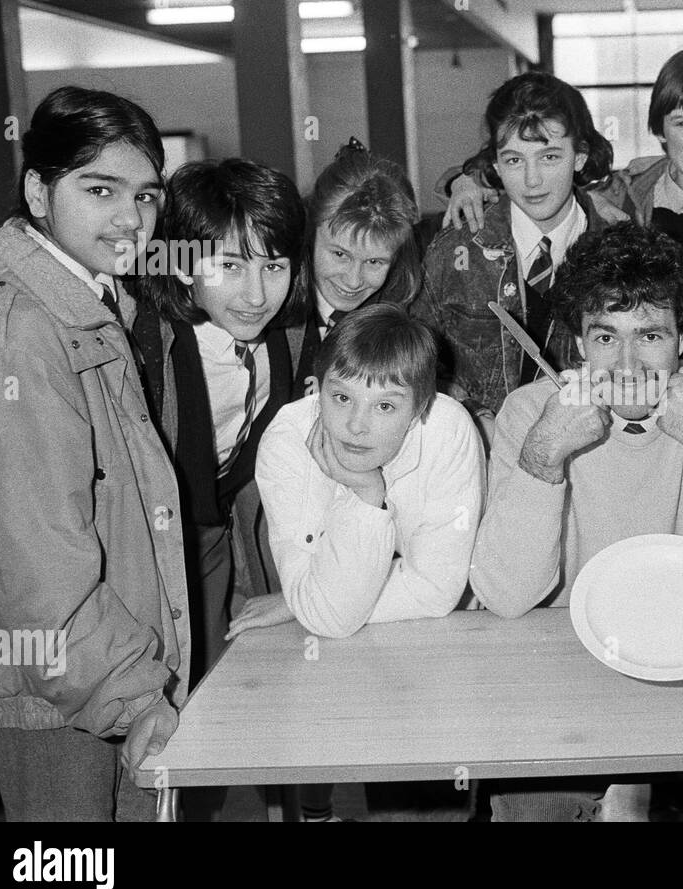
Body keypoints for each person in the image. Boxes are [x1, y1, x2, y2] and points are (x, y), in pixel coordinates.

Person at [471, 221, 683, 821]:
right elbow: (505, 595)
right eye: (605, 335)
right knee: (532, 802)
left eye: (650, 334)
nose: (627, 362)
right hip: (567, 657)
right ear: (577, 341)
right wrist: (543, 457)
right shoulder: (530, 412)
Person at [0, 86, 186, 821]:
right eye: (100, 190)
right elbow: (31, 561)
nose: (132, 218)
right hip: (56, 693)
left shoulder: (91, 307)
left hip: (94, 674)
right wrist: (129, 688)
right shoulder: (25, 326)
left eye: (147, 196)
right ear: (37, 191)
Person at [445, 52, 683, 360]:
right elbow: (538, 177)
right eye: (682, 123)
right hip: (648, 389)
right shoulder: (626, 197)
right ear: (659, 130)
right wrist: (462, 181)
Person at [134, 158, 308, 689]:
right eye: (229, 266)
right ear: (183, 265)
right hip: (148, 546)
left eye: (273, 267)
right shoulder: (145, 348)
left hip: (220, 531)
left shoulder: (289, 338)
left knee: (235, 684)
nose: (256, 296)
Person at [231, 305, 483, 639]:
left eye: (384, 406)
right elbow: (331, 618)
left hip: (445, 628)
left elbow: (435, 592)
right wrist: (367, 494)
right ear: (318, 390)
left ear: (419, 409)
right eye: (341, 397)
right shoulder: (287, 441)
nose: (356, 426)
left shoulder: (448, 430)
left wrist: (307, 601)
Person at [417, 72, 627, 438]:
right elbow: (414, 364)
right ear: (495, 165)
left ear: (579, 156)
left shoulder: (622, 252)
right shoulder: (454, 253)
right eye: (514, 160)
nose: (532, 181)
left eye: (549, 157)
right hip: (484, 459)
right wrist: (470, 413)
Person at [291, 137, 423, 400]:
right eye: (340, 254)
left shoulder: (406, 310)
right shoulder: (268, 300)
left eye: (375, 262)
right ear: (310, 233)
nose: (353, 281)